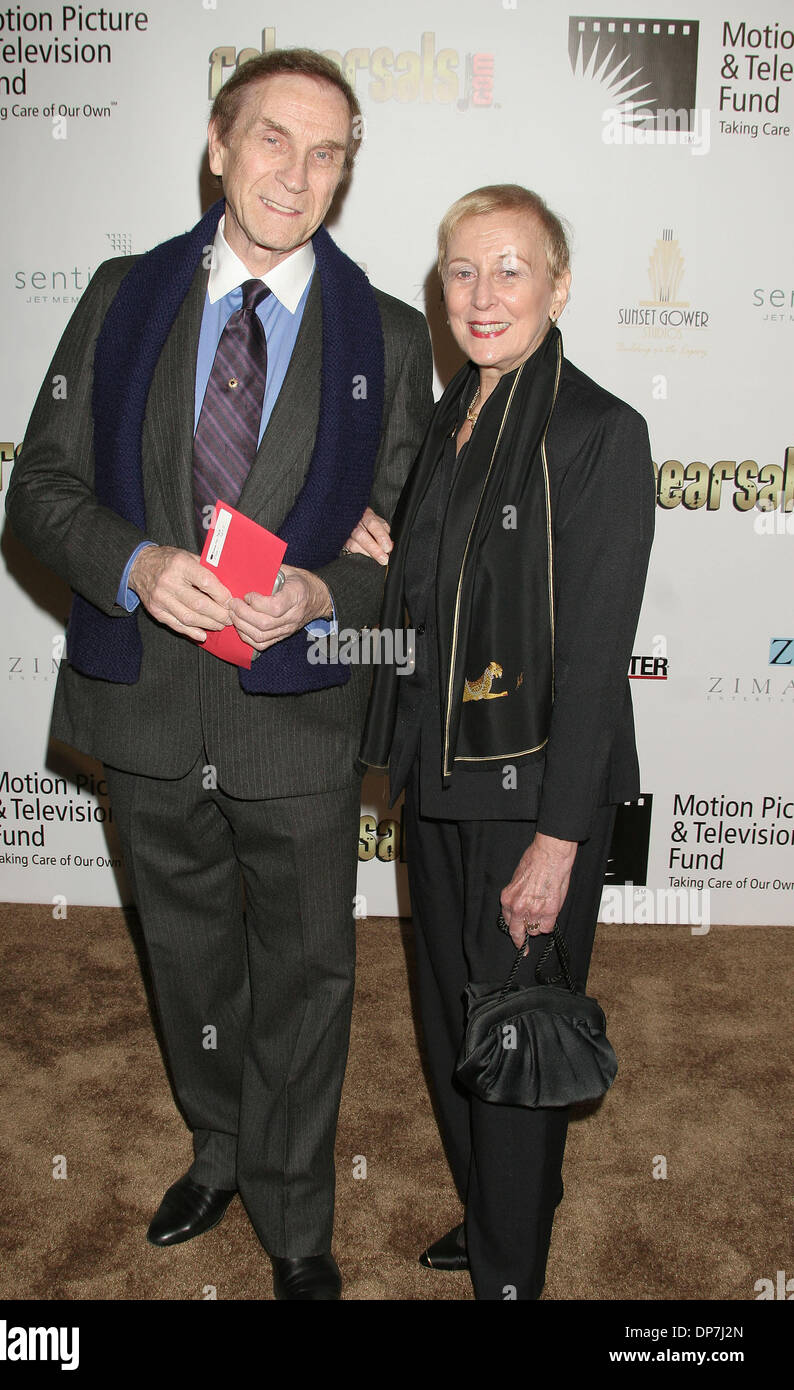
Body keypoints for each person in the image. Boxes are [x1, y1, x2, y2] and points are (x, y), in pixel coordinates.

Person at [5, 49, 432, 1301]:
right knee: (186, 958)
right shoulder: (121, 295)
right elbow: (40, 484)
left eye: (326, 151)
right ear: (216, 143)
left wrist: (321, 591)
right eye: (271, 140)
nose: (295, 173)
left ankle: (296, 1215)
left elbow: (404, 546)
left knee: (307, 967)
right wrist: (134, 560)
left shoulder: (390, 338)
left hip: (295, 714)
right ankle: (220, 1146)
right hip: (144, 699)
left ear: (347, 170)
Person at [350, 185, 655, 1300]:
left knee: (516, 1042)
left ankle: (508, 1275)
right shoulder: (454, 413)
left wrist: (558, 841)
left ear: (557, 285)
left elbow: (590, 664)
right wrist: (396, 561)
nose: (481, 295)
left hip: (527, 802)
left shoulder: (595, 432)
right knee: (448, 1028)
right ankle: (494, 1212)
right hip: (432, 783)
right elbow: (450, 591)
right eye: (461, 271)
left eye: (508, 269)